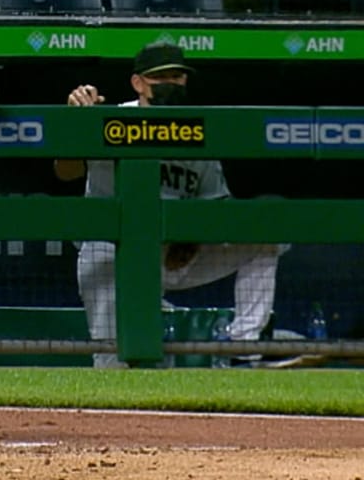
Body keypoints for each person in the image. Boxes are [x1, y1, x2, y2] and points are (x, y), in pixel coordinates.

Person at [58, 41, 284, 369]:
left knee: (264, 240)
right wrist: (76, 126)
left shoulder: (197, 132)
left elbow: (218, 207)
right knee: (112, 364)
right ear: (138, 83)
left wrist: (191, 237)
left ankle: (243, 347)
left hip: (172, 254)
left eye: (177, 76)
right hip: (111, 252)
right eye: (160, 77)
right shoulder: (114, 118)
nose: (170, 83)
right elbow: (66, 172)